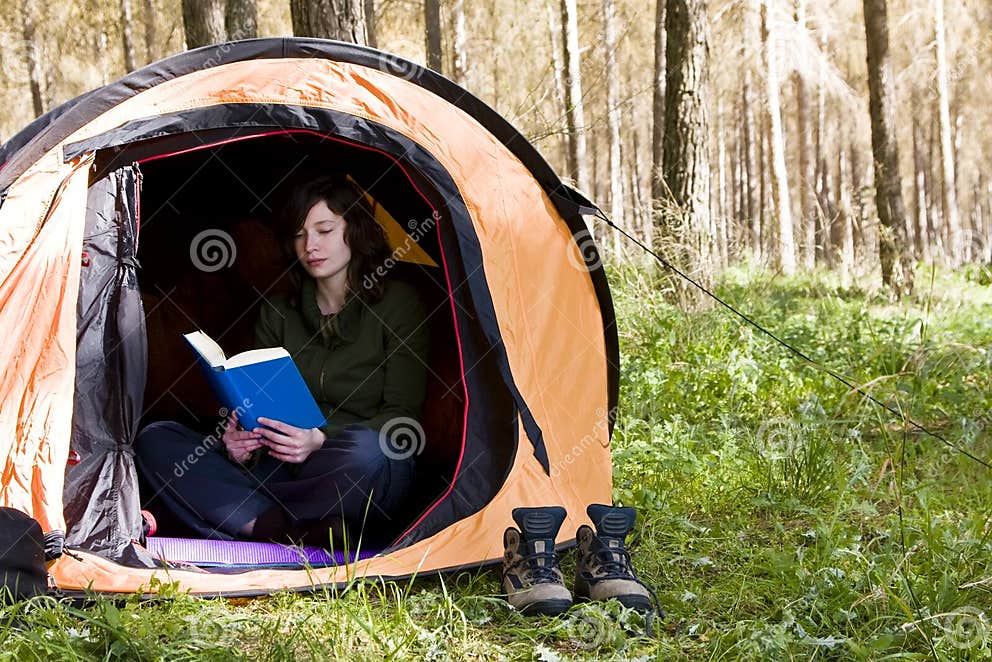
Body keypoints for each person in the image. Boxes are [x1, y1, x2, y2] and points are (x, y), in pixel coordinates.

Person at [134, 176, 429, 547]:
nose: (311, 245)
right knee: (157, 439)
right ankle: (286, 530)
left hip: (344, 466)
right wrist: (240, 446)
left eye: (324, 230)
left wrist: (321, 439)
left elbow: (402, 417)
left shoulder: (399, 304)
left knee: (368, 452)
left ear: (355, 230)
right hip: (280, 468)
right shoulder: (278, 312)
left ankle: (255, 520)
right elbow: (257, 406)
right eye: (300, 234)